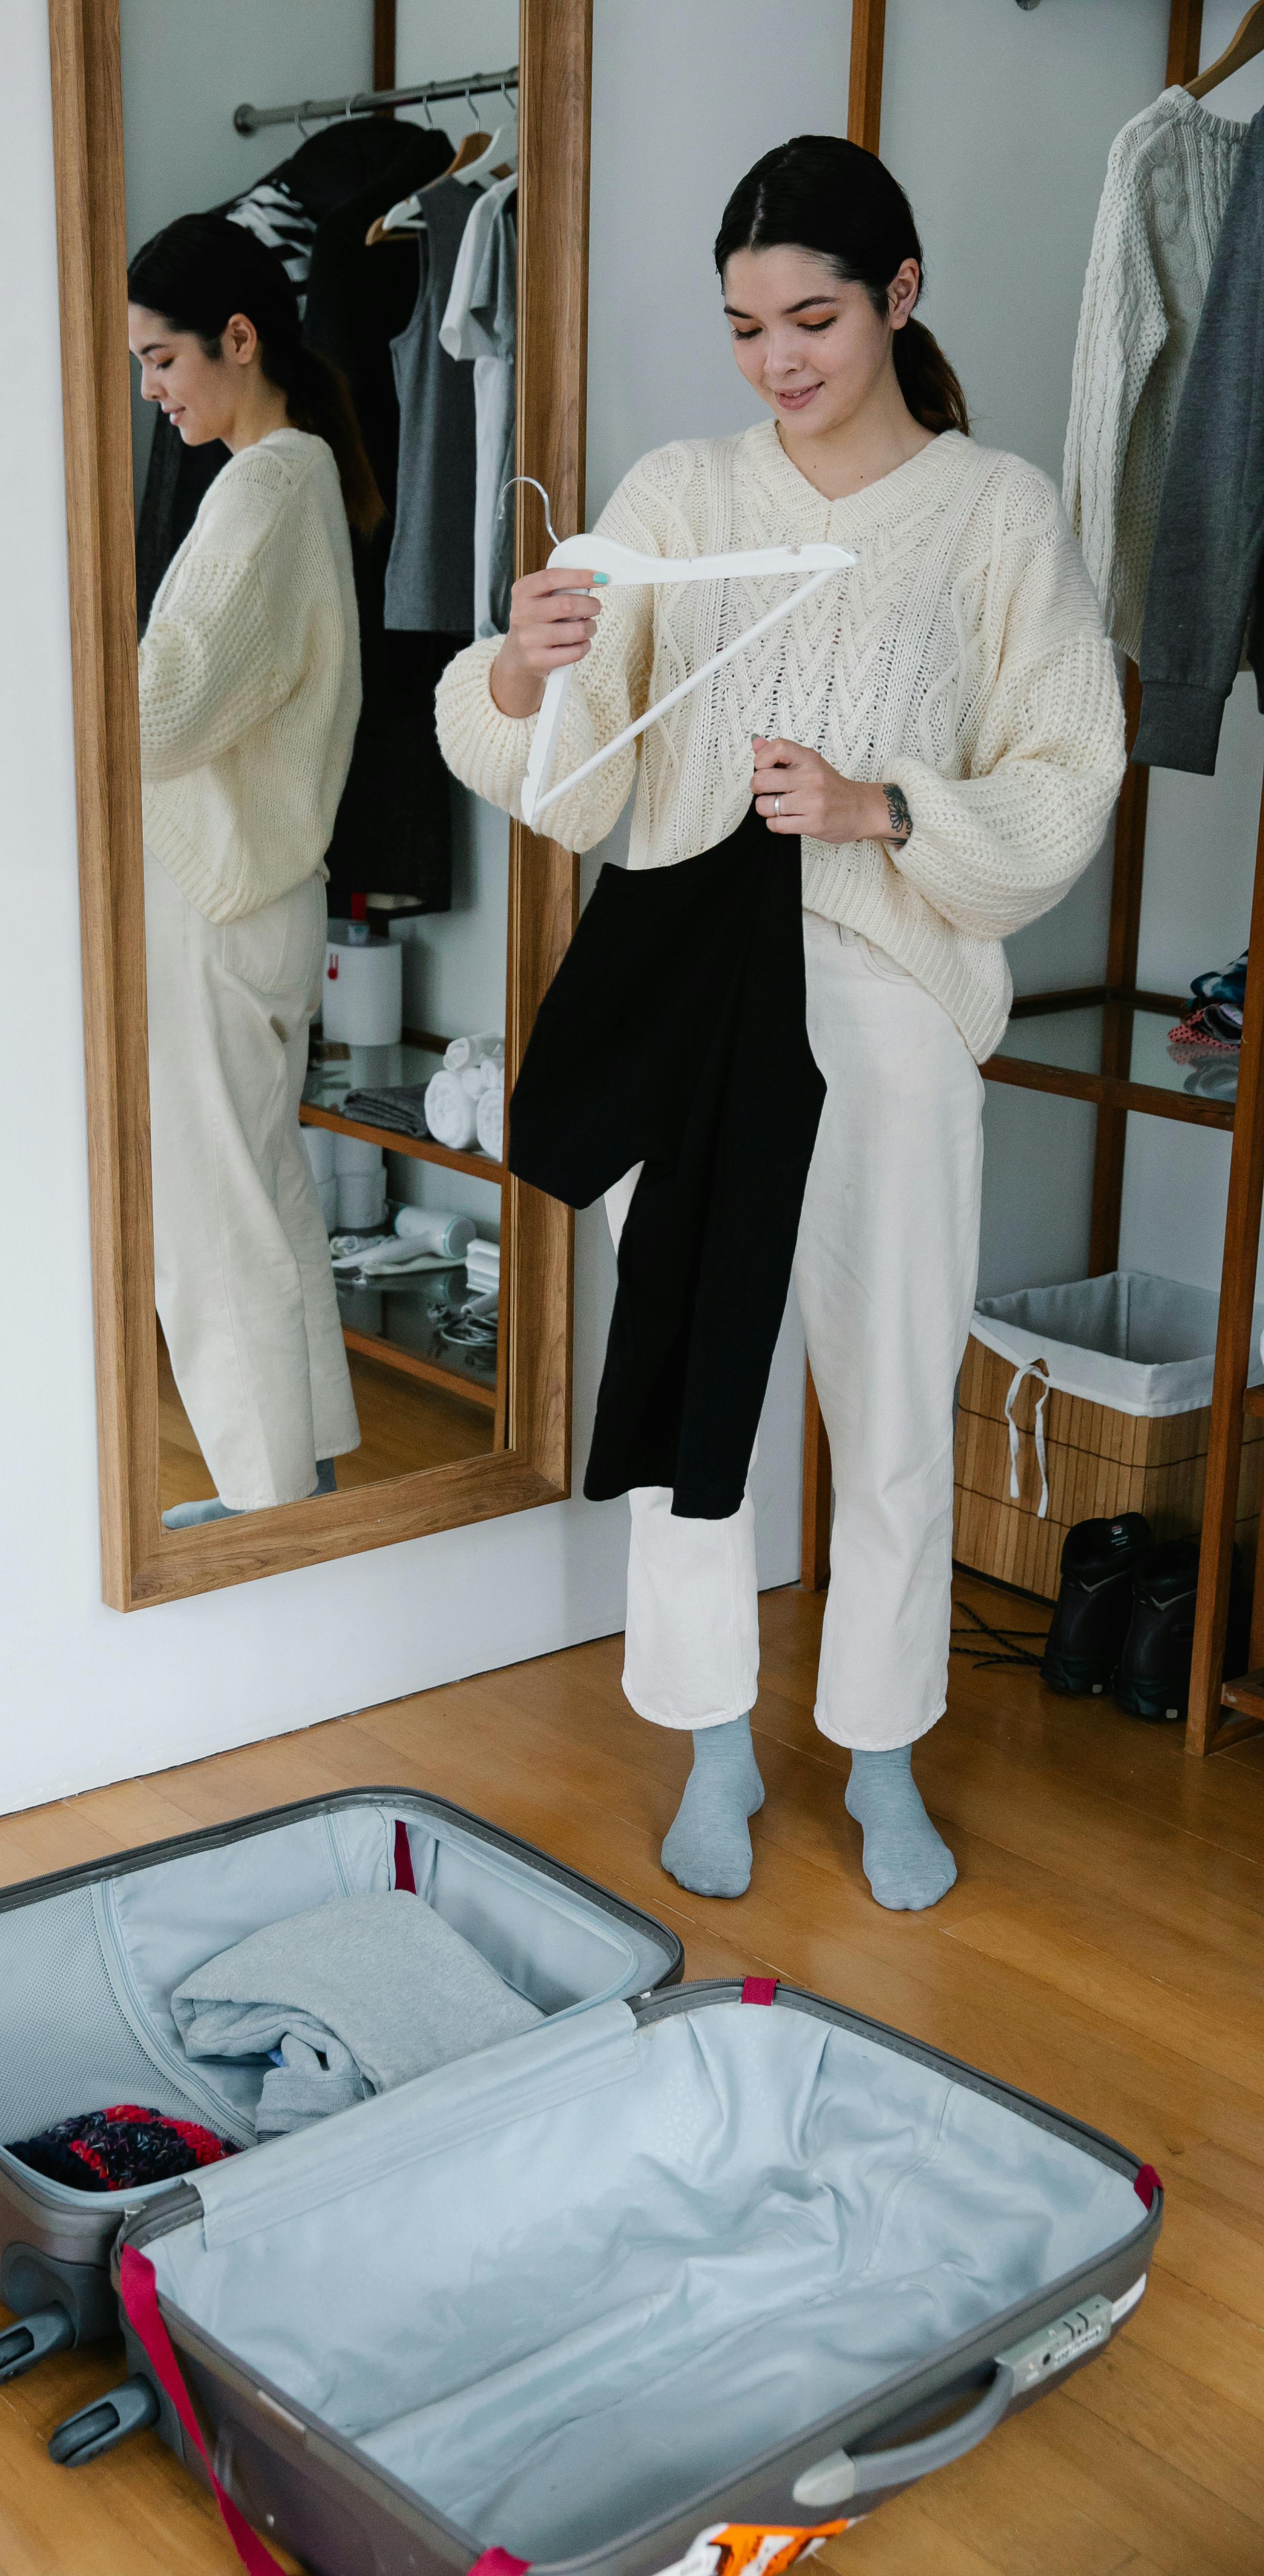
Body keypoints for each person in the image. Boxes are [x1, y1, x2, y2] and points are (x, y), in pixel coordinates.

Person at [436, 136, 1125, 1910]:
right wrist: (521, 664)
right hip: (689, 1006)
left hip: (891, 1010)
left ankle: (883, 1752)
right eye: (746, 328)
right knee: (696, 1390)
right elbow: (571, 777)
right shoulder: (679, 496)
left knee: (891, 1403)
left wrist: (880, 806)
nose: (777, 360)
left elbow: (1070, 773)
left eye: (811, 318)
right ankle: (715, 1746)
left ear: (900, 294)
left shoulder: (998, 514)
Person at [128, 214, 383, 1529]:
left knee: (212, 1213)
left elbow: (163, 715)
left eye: (162, 359)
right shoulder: (293, 476)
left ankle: (266, 1498)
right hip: (265, 895)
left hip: (219, 899)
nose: (152, 390)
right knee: (264, 1189)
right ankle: (304, 1463)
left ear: (239, 338)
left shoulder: (263, 486)